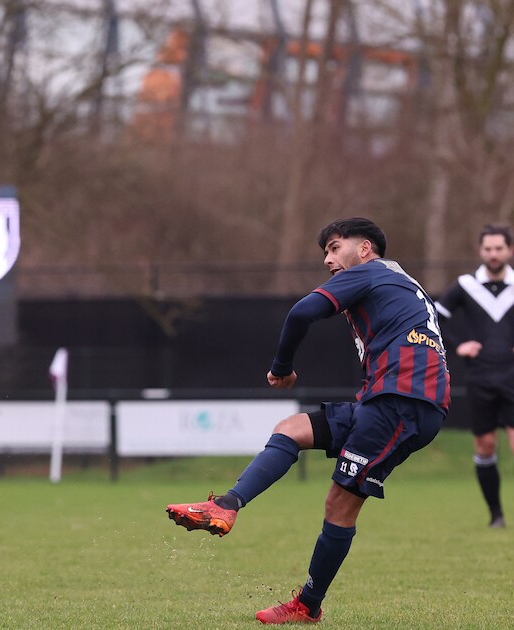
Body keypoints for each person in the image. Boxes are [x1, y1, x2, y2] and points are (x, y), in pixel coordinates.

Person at [164, 218, 449, 624]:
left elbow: (301, 314)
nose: (328, 259)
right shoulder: (398, 282)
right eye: (326, 253)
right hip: (390, 401)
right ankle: (227, 505)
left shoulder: (371, 272)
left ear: (364, 248)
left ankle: (308, 605)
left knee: (340, 503)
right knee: (291, 429)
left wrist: (282, 368)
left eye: (335, 248)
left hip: (402, 404)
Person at [435, 224, 514, 528]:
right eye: (488, 249)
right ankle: (496, 515)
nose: (493, 254)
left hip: (511, 376)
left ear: (509, 250)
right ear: (481, 251)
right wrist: (458, 346)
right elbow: (434, 317)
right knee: (485, 447)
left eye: (499, 248)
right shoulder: (466, 285)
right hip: (479, 377)